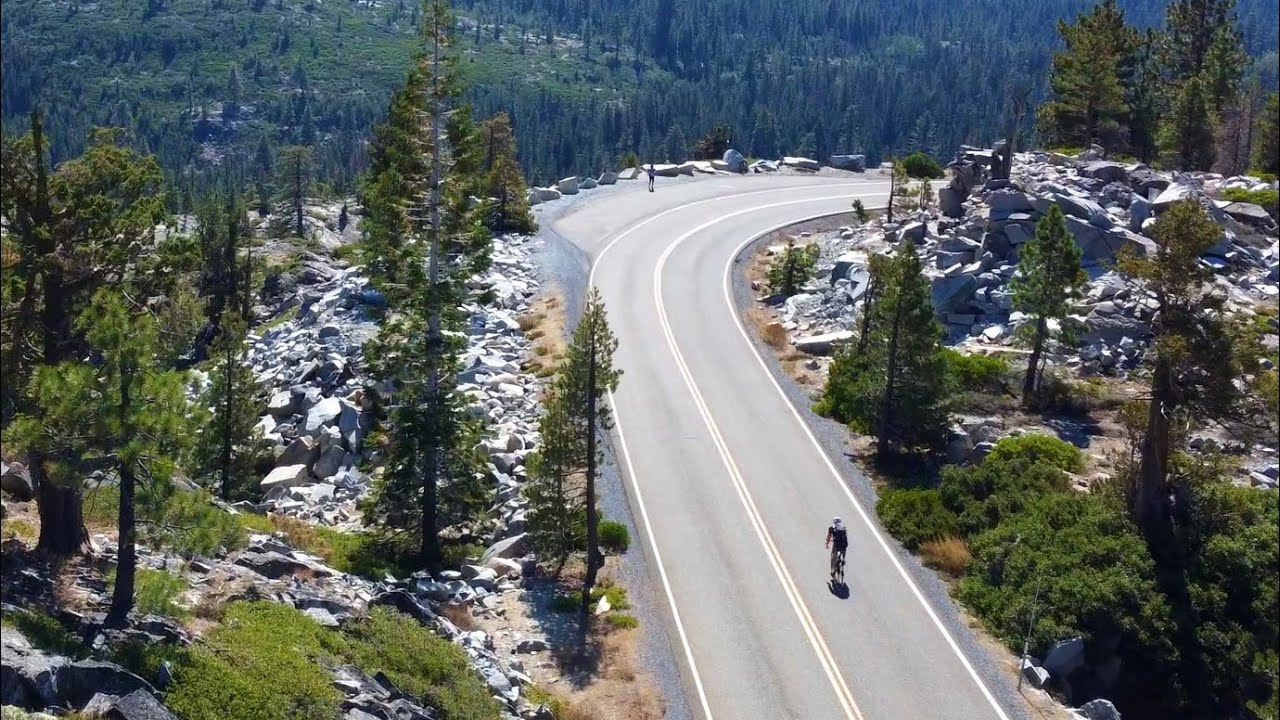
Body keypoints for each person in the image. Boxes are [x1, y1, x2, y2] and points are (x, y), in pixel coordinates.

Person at [825, 517, 848, 581]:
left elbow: (829, 537)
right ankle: (843, 559)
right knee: (844, 548)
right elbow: (846, 537)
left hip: (836, 544)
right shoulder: (843, 528)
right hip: (844, 543)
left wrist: (827, 543)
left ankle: (832, 570)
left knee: (833, 554)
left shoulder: (831, 528)